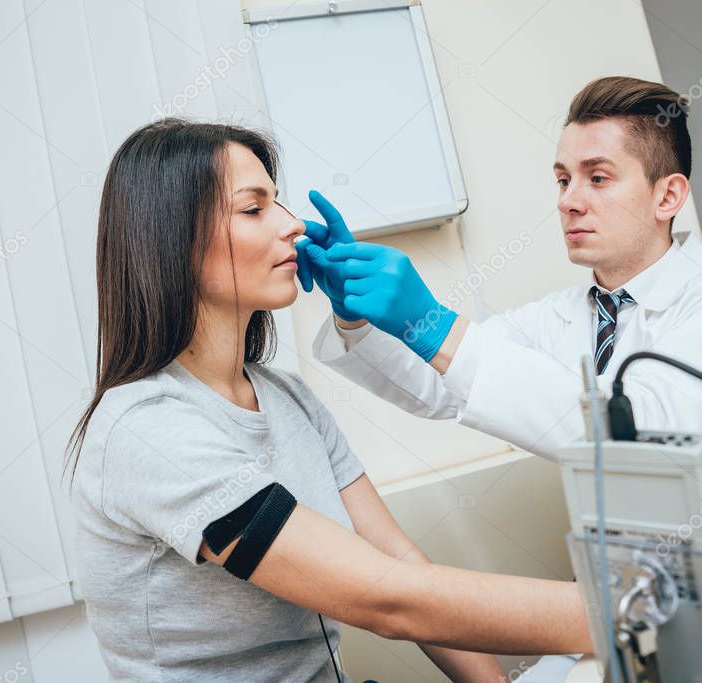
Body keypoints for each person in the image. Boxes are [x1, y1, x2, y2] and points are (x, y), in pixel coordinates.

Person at [298, 77, 702, 678]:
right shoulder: (559, 318)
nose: (568, 200)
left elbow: (647, 432)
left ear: (668, 196)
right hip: (642, 613)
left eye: (597, 177)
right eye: (562, 179)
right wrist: (357, 316)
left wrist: (434, 325)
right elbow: (440, 386)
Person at [67, 118, 612, 683]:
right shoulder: (150, 430)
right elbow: (389, 601)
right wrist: (618, 614)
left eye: (279, 203)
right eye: (254, 209)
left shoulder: (285, 397)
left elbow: (398, 563)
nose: (293, 227)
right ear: (172, 240)